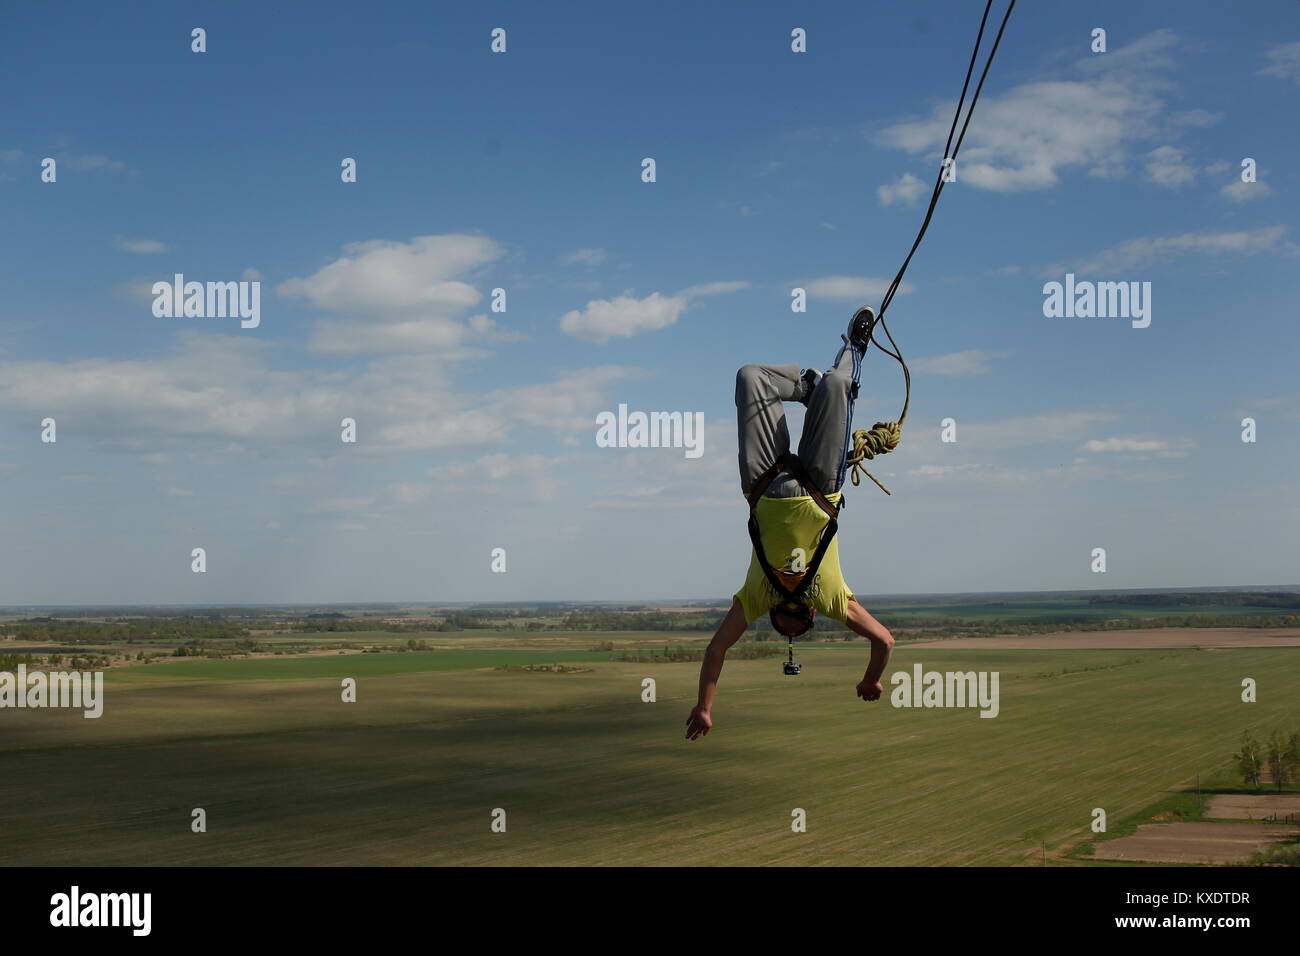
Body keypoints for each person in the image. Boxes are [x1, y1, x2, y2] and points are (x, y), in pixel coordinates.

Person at [685, 308, 896, 741]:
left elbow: (716, 649)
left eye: (790, 628)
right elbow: (885, 642)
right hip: (822, 485)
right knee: (839, 386)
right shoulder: (835, 600)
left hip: (763, 483)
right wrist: (871, 679)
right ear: (813, 614)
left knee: (751, 377)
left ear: (780, 618)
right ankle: (853, 350)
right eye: (801, 627)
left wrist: (705, 707)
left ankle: (804, 386)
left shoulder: (756, 598)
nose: (794, 626)